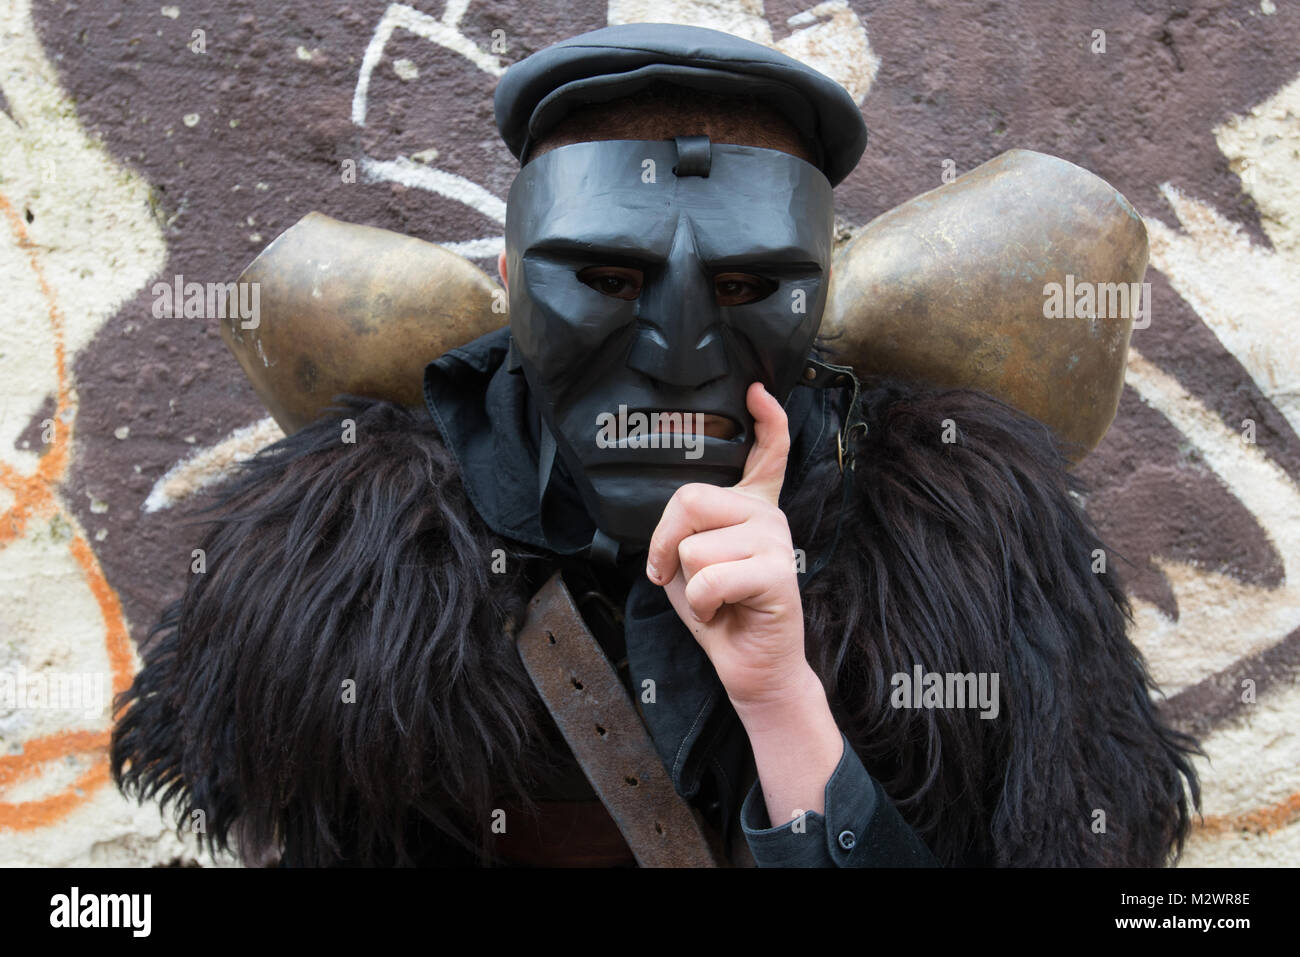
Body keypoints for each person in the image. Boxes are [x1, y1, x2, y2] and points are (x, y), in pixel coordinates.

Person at [111, 24, 1200, 867]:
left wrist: (783, 705)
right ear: (508, 282)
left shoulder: (963, 553)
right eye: (606, 280)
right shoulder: (350, 571)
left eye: (745, 287)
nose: (680, 353)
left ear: (818, 301)